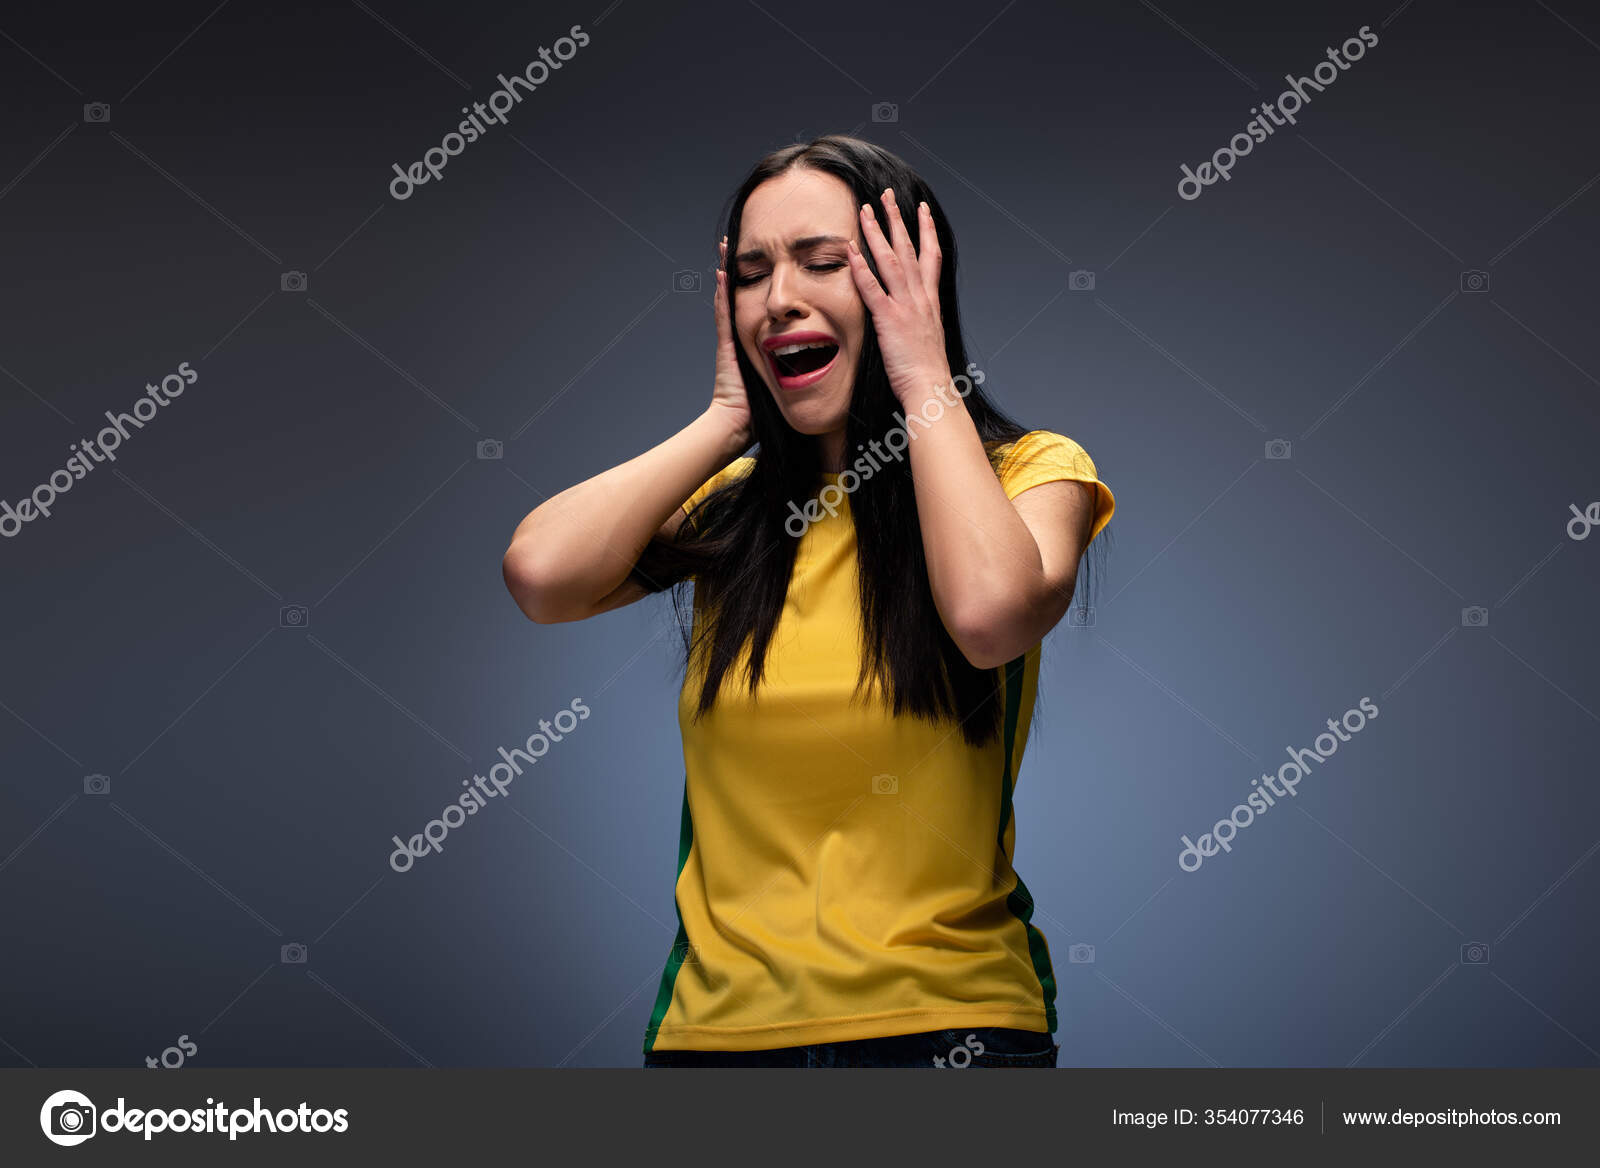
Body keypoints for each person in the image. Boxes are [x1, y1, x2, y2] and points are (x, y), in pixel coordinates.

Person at [502, 135, 1115, 1068]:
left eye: (823, 263)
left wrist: (920, 373)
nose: (779, 296)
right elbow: (542, 576)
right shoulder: (733, 514)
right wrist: (725, 419)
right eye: (752, 273)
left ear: (910, 283)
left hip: (954, 1032)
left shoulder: (1031, 475)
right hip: (720, 1041)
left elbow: (991, 618)